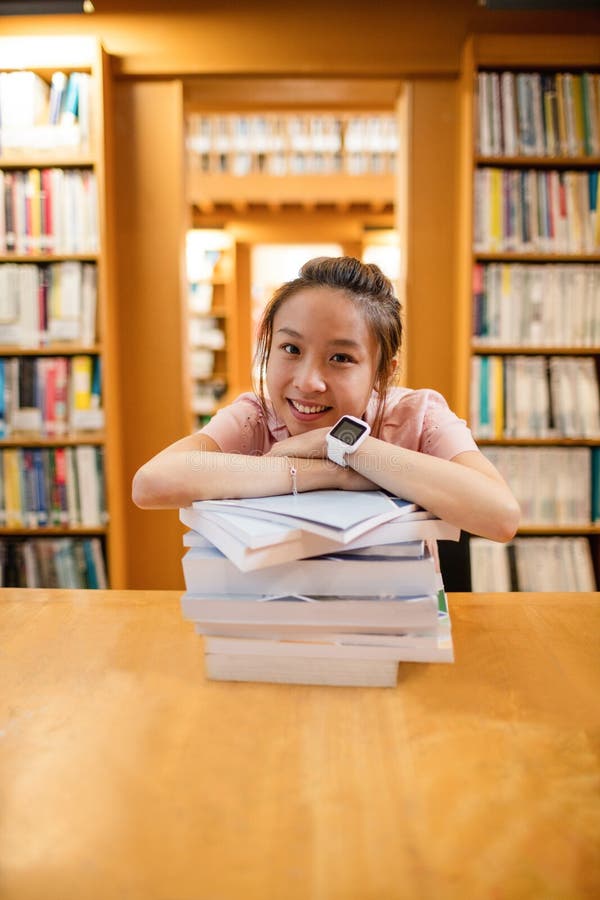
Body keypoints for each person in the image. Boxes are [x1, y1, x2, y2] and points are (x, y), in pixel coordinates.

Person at [133, 256, 520, 542]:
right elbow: (151, 484)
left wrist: (346, 447)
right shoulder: (257, 417)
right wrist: (331, 472)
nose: (308, 382)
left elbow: (500, 516)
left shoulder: (417, 416)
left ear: (382, 372)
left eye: (340, 358)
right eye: (290, 348)